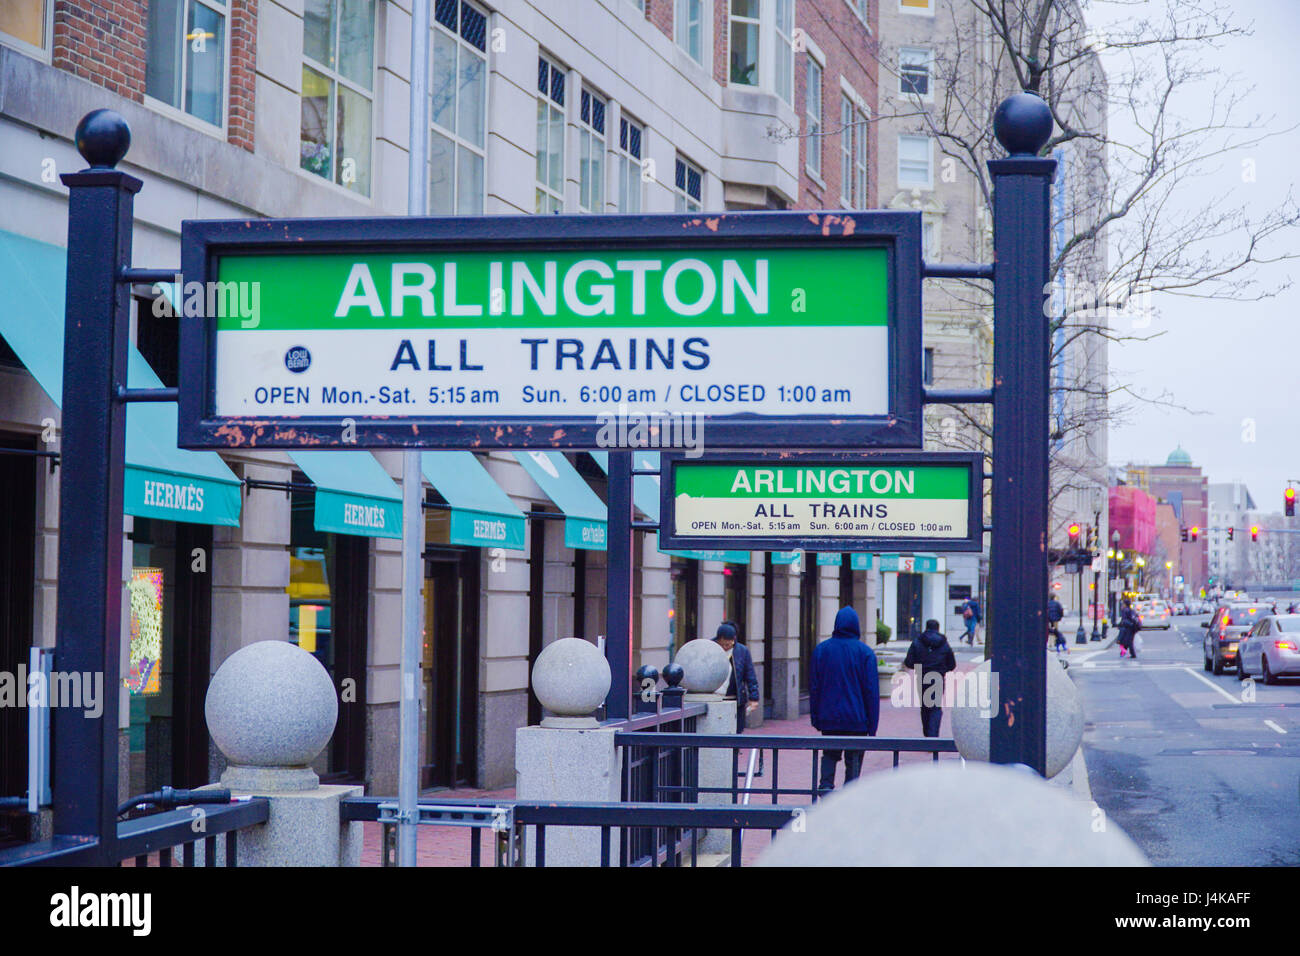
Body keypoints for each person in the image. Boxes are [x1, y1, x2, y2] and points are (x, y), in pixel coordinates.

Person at [809, 606, 880, 794]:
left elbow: (814, 688)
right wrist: (872, 726)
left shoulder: (821, 651)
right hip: (857, 720)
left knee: (829, 756)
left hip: (829, 718)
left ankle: (825, 792)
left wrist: (815, 718)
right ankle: (849, 800)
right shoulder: (865, 653)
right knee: (854, 762)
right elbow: (871, 692)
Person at [903, 619, 957, 737]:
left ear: (926, 627)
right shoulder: (944, 643)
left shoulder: (917, 641)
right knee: (936, 707)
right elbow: (952, 664)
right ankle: (933, 735)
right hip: (938, 677)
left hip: (922, 676)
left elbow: (909, 662)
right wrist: (942, 669)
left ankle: (927, 734)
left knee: (925, 706)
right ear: (938, 628)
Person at [714, 622, 759, 735]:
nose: (724, 647)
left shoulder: (742, 652)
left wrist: (754, 697)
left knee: (735, 732)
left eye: (727, 645)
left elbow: (750, 676)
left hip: (734, 699)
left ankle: (734, 752)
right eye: (722, 644)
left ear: (733, 640)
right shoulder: (711, 649)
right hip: (714, 699)